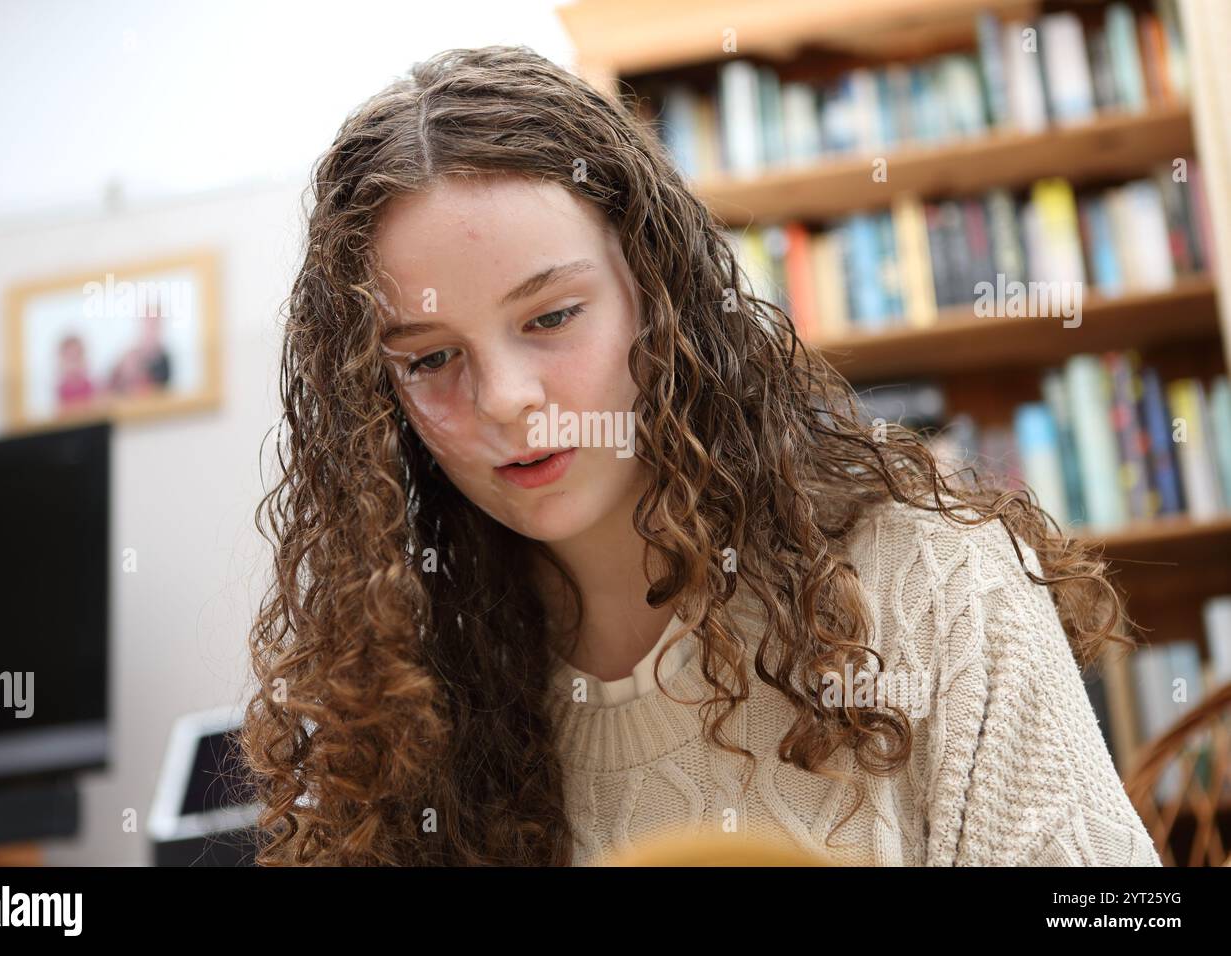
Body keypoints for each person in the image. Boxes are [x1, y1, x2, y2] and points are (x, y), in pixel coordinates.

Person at [241, 45, 1162, 867]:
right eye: (431, 359)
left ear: (660, 298)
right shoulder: (398, 697)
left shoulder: (936, 586)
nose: (506, 400)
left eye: (553, 317)